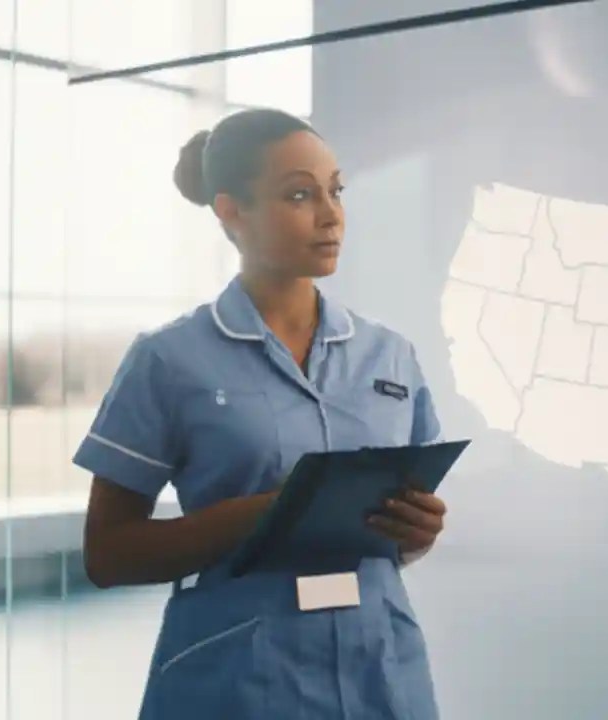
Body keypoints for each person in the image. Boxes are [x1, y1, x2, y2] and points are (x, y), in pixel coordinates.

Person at [74, 108, 449, 719]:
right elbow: (108, 556)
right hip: (240, 679)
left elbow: (396, 531)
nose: (330, 215)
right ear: (231, 211)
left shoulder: (391, 355)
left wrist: (418, 531)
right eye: (300, 194)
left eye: (336, 191)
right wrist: (268, 511)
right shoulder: (169, 360)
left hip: (381, 671)